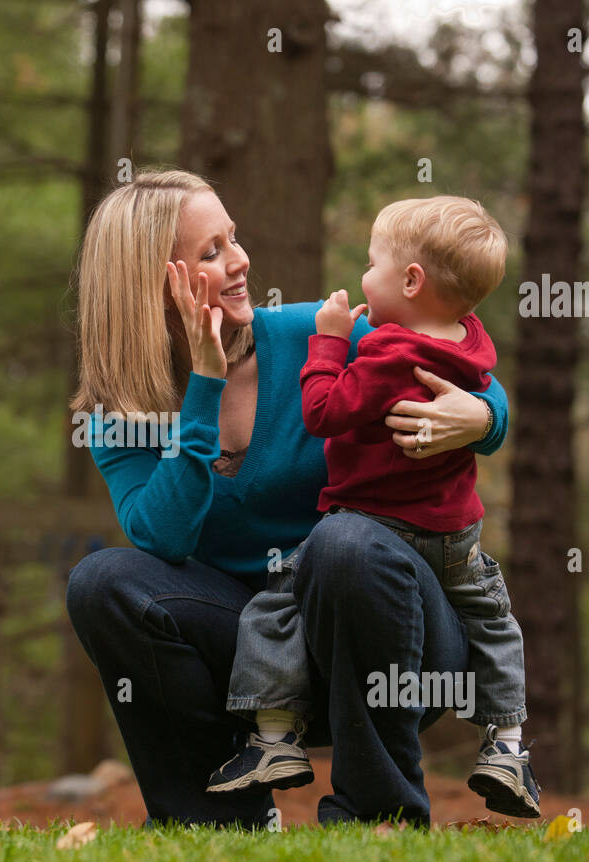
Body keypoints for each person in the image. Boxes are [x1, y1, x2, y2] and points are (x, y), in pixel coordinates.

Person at [66, 169, 510, 827]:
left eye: (233, 239)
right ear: (155, 284)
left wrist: (482, 417)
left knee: (346, 541)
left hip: (393, 637)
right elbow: (163, 539)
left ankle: (376, 817)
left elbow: (463, 367)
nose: (241, 261)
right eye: (211, 251)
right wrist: (204, 392)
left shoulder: (318, 337)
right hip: (256, 655)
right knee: (102, 581)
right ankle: (215, 820)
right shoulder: (121, 408)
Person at [207, 196, 539, 819]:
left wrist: (329, 344)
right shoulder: (471, 342)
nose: (363, 277)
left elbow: (325, 411)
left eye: (371, 263)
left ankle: (275, 736)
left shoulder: (387, 355)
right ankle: (507, 745)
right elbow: (490, 398)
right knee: (494, 620)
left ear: (411, 281)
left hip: (378, 530)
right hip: (454, 537)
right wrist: (486, 412)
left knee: (276, 602)